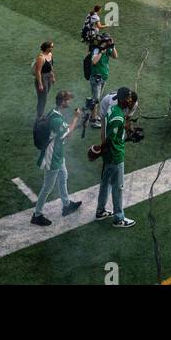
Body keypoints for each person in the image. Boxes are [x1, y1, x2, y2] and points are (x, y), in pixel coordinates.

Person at [31, 90, 84, 226]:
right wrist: (76, 118)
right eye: (68, 99)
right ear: (63, 102)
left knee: (63, 176)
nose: (70, 101)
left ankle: (66, 205)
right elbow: (67, 133)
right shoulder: (57, 120)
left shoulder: (54, 113)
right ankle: (37, 215)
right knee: (47, 187)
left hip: (58, 154)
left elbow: (64, 132)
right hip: (52, 157)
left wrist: (73, 124)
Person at [94, 87, 135, 228]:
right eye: (129, 97)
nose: (130, 100)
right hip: (115, 156)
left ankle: (100, 211)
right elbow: (110, 139)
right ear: (123, 99)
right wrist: (102, 150)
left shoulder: (113, 109)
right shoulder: (118, 116)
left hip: (108, 156)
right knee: (118, 187)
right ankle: (119, 219)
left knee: (105, 183)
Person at [32, 41, 54, 120]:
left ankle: (41, 114)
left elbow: (51, 66)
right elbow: (38, 72)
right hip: (42, 78)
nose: (52, 48)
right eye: (51, 47)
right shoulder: (41, 58)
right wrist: (40, 84)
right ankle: (39, 117)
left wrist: (52, 76)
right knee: (42, 98)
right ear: (47, 48)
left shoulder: (50, 54)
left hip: (48, 77)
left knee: (44, 97)